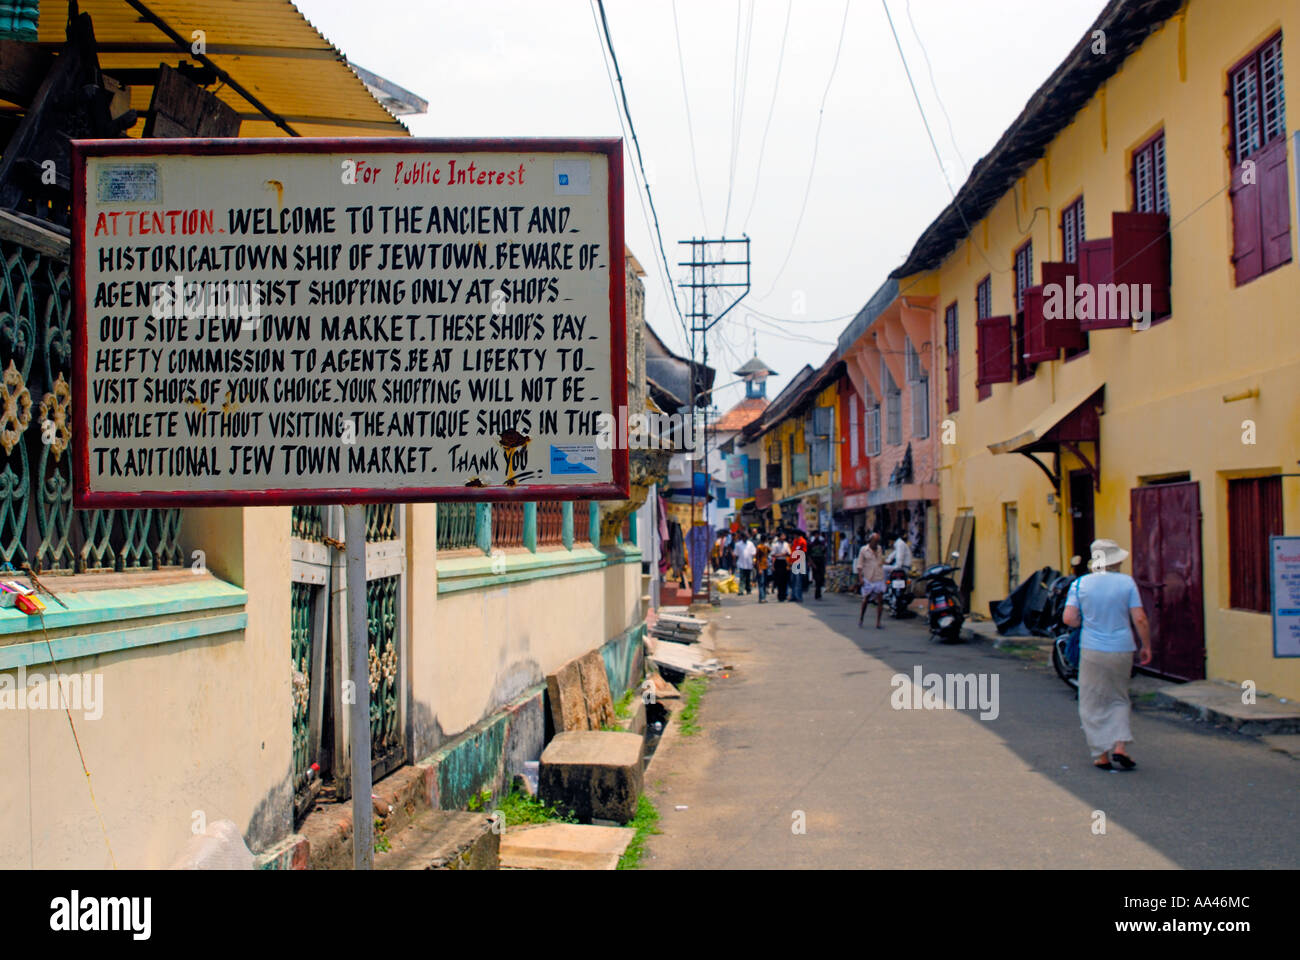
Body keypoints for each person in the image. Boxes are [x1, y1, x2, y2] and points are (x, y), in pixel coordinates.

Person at [1062, 537, 1153, 771]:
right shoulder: (1127, 583)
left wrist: (1087, 620)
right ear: (1116, 562)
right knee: (1119, 697)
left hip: (1092, 648)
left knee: (1092, 700)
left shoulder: (1081, 584)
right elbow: (1140, 618)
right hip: (1122, 647)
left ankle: (1101, 753)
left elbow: (1069, 619)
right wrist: (1146, 645)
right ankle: (1120, 747)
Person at [855, 532, 887, 628]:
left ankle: (878, 622)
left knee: (880, 600)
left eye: (877, 541)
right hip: (868, 578)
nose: (876, 543)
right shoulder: (864, 550)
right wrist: (860, 578)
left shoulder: (879, 549)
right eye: (875, 541)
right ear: (870, 541)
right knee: (866, 599)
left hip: (879, 577)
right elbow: (859, 565)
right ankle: (861, 618)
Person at [771, 532, 791, 601]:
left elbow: (789, 553)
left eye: (784, 536)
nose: (783, 537)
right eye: (782, 536)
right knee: (779, 579)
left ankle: (784, 595)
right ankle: (780, 596)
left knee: (785, 579)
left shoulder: (786, 544)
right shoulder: (775, 545)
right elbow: (773, 555)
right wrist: (782, 555)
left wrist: (785, 555)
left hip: (784, 562)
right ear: (779, 537)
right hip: (778, 562)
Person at [790, 529, 808, 603]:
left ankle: (799, 597)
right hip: (793, 562)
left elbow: (804, 552)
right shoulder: (795, 541)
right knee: (793, 580)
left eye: (794, 534)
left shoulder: (802, 541)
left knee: (798, 581)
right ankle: (793, 596)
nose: (793, 536)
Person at [809, 533, 828, 600]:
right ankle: (817, 594)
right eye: (815, 535)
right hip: (815, 564)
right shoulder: (811, 545)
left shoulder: (822, 545)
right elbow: (809, 555)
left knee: (821, 579)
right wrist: (812, 563)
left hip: (821, 564)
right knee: (817, 579)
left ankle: (818, 593)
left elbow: (825, 554)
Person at [754, 533, 770, 603]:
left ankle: (763, 597)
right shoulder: (759, 547)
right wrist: (759, 568)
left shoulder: (766, 547)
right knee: (761, 582)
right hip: (761, 566)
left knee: (765, 583)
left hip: (766, 566)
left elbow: (770, 552)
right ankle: (762, 598)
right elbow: (757, 559)